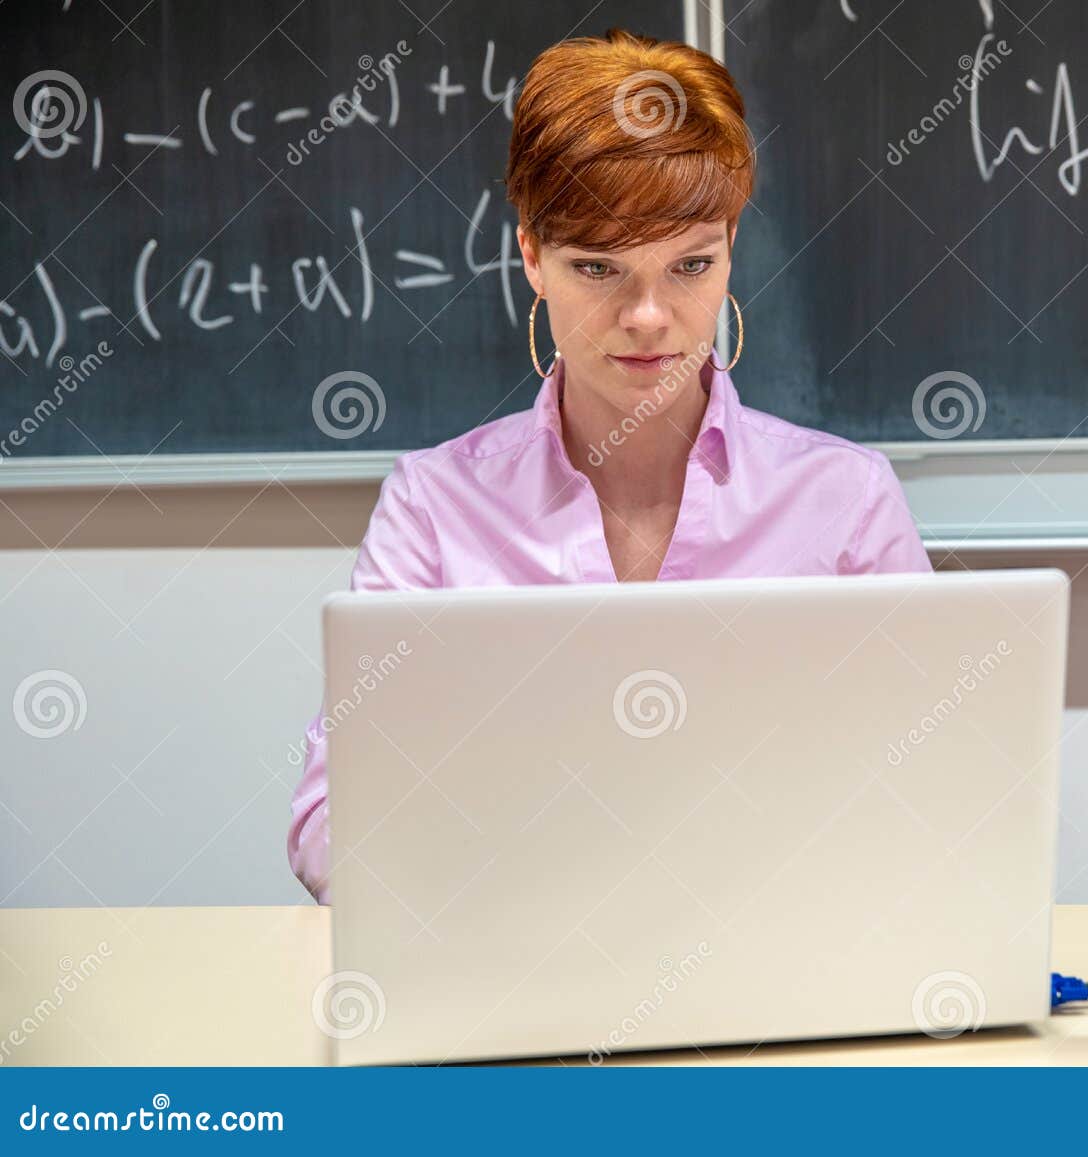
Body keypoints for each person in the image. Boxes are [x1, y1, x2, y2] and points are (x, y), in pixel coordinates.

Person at [286, 28, 931, 903]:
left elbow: (937, 795)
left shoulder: (846, 502)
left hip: (779, 970)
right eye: (599, 268)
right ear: (530, 257)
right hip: (513, 973)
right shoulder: (435, 509)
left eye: (691, 265)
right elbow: (332, 827)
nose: (650, 318)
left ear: (732, 245)